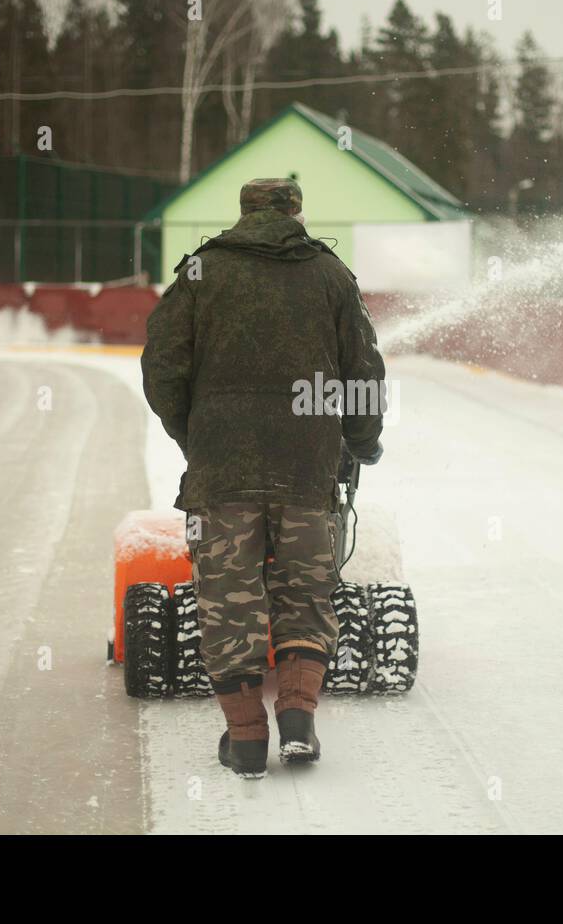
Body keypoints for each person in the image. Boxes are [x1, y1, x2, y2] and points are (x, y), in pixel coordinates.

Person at [141, 178, 385, 778]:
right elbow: (362, 370)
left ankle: (246, 739)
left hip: (221, 469)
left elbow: (161, 365)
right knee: (306, 591)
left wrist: (193, 432)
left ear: (244, 212)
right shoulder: (330, 274)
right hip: (307, 466)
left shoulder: (201, 271)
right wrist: (361, 440)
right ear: (297, 212)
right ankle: (298, 719)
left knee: (229, 600)